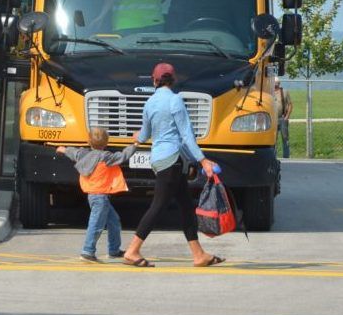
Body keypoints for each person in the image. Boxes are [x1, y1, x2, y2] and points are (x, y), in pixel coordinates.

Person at [123, 62, 224, 268]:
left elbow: (144, 134)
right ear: (173, 80)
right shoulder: (175, 100)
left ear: (154, 80)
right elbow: (187, 135)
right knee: (158, 206)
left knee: (186, 206)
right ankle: (132, 250)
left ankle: (199, 255)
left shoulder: (150, 102)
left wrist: (137, 136)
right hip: (171, 160)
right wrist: (203, 160)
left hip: (160, 159)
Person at [57, 129, 138, 263]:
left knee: (114, 221)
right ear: (106, 143)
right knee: (96, 224)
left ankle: (114, 250)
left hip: (94, 196)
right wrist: (135, 145)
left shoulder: (83, 154)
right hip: (100, 197)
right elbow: (123, 156)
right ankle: (87, 251)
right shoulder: (106, 157)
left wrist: (63, 149)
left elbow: (72, 152)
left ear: (89, 142)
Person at [274, 77, 293, 158]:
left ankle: (286, 156)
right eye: (275, 83)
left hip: (282, 118)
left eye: (277, 83)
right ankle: (273, 156)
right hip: (272, 120)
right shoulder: (269, 92)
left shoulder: (285, 92)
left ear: (279, 83)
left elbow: (290, 104)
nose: (276, 84)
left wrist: (287, 117)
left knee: (285, 138)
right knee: (273, 139)